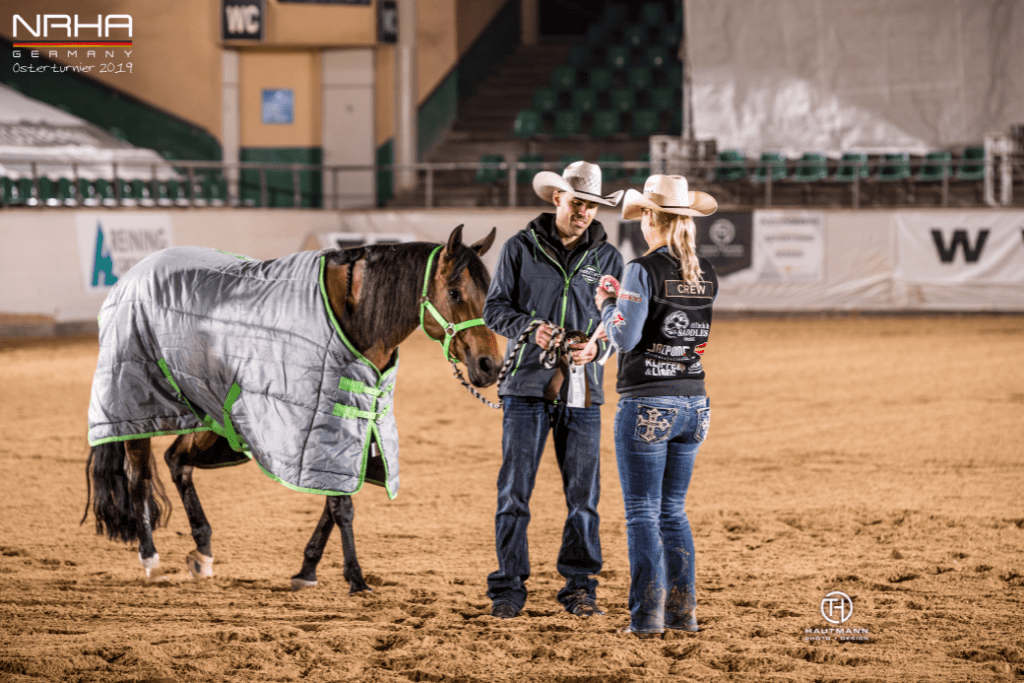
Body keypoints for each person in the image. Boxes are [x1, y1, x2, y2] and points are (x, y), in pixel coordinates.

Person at [483, 161, 625, 620]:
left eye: (593, 205)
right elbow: (494, 309)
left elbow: (615, 322)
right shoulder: (518, 248)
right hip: (524, 385)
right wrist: (531, 329)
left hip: (584, 389)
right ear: (557, 199)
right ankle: (508, 589)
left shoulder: (609, 259)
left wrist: (598, 351)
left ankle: (580, 587)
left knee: (584, 496)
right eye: (577, 202)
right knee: (513, 493)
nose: (584, 212)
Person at [595, 174, 719, 639]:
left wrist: (607, 304)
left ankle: (647, 617)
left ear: (649, 217)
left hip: (649, 401)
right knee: (673, 511)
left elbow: (624, 337)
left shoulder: (641, 270)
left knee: (643, 513)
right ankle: (683, 614)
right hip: (694, 402)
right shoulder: (705, 272)